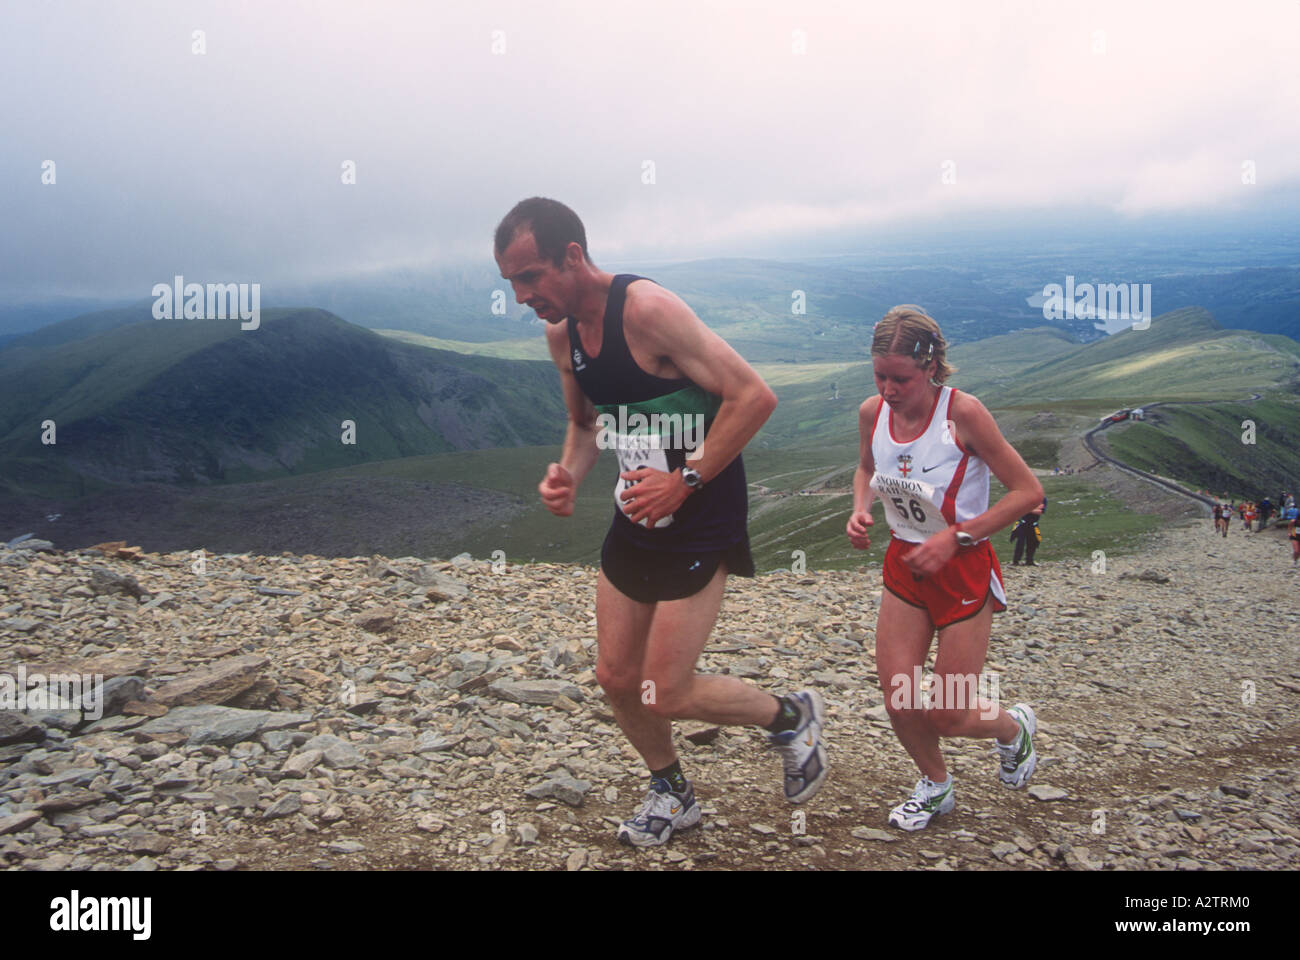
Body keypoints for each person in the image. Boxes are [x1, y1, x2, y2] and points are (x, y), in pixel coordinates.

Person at [495, 197, 827, 848]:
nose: (521, 296)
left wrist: (686, 480)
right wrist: (567, 475)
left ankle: (789, 716)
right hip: (638, 512)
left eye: (530, 277)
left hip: (702, 513)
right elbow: (588, 424)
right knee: (617, 679)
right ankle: (672, 792)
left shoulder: (646, 311)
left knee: (664, 689)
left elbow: (754, 397)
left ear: (572, 256)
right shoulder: (562, 333)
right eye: (511, 282)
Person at [845, 305, 1045, 831]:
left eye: (900, 379)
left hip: (962, 568)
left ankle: (1012, 728)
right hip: (904, 563)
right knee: (899, 696)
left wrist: (955, 536)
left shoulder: (964, 414)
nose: (888, 390)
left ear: (931, 366)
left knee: (951, 713)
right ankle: (935, 785)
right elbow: (866, 466)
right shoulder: (872, 412)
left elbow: (1028, 493)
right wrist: (860, 508)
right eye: (879, 376)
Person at [1010, 496, 1047, 565]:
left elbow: (1040, 511)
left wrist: (1028, 509)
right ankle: (1016, 560)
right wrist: (1034, 509)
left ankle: (1029, 560)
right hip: (1023, 523)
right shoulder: (1025, 497)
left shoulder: (1042, 498)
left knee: (1032, 542)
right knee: (1020, 542)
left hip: (1033, 524)